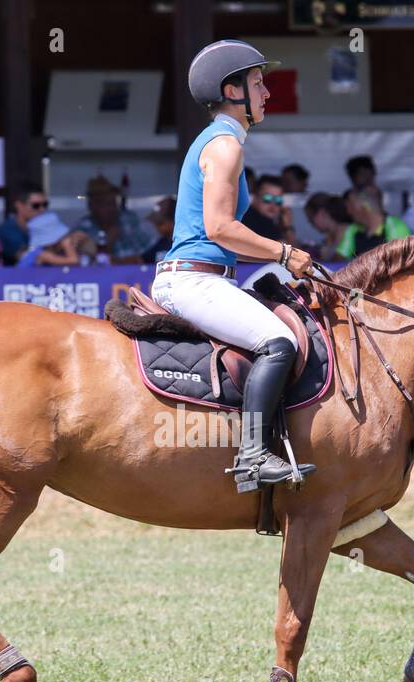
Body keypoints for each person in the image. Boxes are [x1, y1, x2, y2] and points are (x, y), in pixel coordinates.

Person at [149, 38, 315, 492]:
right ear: (232, 89)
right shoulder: (225, 146)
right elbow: (221, 228)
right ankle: (254, 457)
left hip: (205, 275)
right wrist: (284, 252)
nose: (267, 93)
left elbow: (226, 238)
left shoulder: (223, 142)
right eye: (259, 84)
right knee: (279, 341)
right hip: (194, 281)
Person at [74, 175, 154, 264]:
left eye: (113, 203)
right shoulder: (83, 227)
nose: (112, 208)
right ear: (92, 206)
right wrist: (107, 242)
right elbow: (84, 262)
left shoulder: (129, 220)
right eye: (105, 204)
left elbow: (149, 254)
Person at [337, 187, 409, 258]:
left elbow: (399, 260)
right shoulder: (353, 229)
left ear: (364, 207)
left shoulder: (395, 226)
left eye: (351, 206)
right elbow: (337, 261)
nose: (348, 212)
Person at [0, 181, 47, 265]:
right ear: (19, 205)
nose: (42, 210)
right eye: (36, 205)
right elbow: (27, 257)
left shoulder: (41, 228)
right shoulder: (7, 230)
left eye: (45, 205)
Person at [242, 173, 295, 245]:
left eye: (278, 200)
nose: (273, 205)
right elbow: (291, 252)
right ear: (255, 198)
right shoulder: (253, 221)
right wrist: (287, 227)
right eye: (267, 198)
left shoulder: (268, 222)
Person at [303, 192, 352, 262]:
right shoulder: (328, 238)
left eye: (311, 219)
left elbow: (337, 261)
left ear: (322, 213)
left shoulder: (349, 232)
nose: (311, 223)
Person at [142, 196, 176, 263]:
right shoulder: (162, 243)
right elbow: (142, 259)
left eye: (160, 223)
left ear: (173, 222)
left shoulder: (184, 244)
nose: (156, 227)